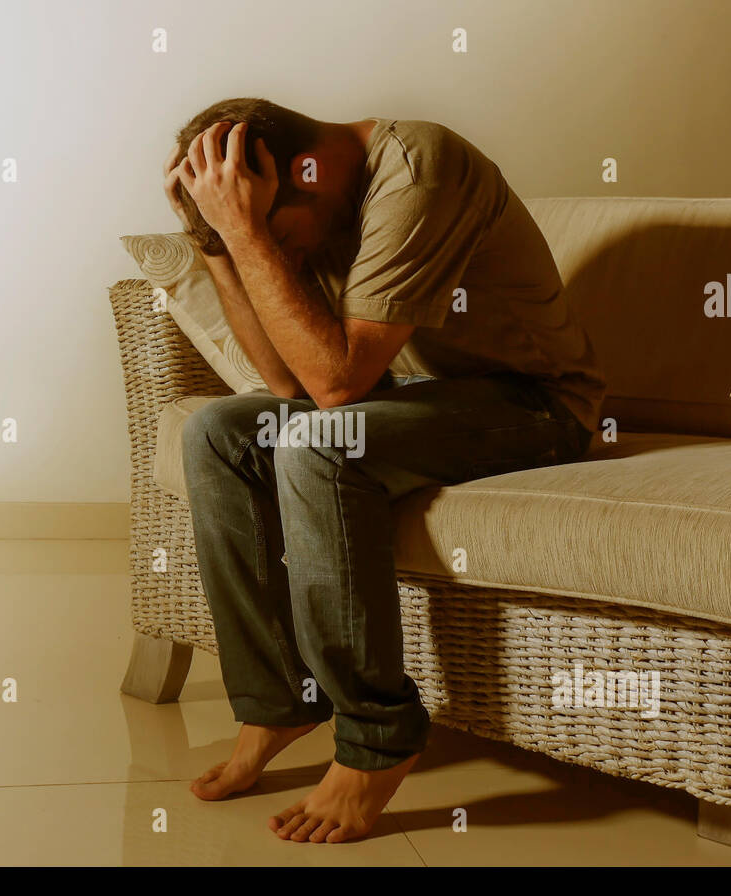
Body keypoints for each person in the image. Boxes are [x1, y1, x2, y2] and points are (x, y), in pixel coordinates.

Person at [160, 97, 606, 843]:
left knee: (321, 444)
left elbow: (334, 389)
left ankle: (378, 737)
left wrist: (246, 230)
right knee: (219, 432)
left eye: (279, 235)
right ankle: (282, 701)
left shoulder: (419, 170)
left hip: (537, 405)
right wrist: (219, 241)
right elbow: (287, 386)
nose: (281, 254)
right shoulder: (302, 203)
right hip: (414, 398)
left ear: (310, 169)